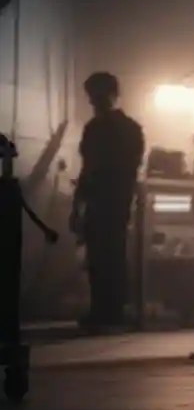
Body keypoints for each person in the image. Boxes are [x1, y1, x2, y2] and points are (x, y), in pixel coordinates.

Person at [70, 72, 145, 331]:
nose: (94, 102)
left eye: (95, 97)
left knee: (103, 255)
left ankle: (106, 311)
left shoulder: (97, 129)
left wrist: (77, 205)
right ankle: (110, 310)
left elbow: (89, 168)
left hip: (105, 199)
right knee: (110, 254)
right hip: (115, 200)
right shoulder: (130, 129)